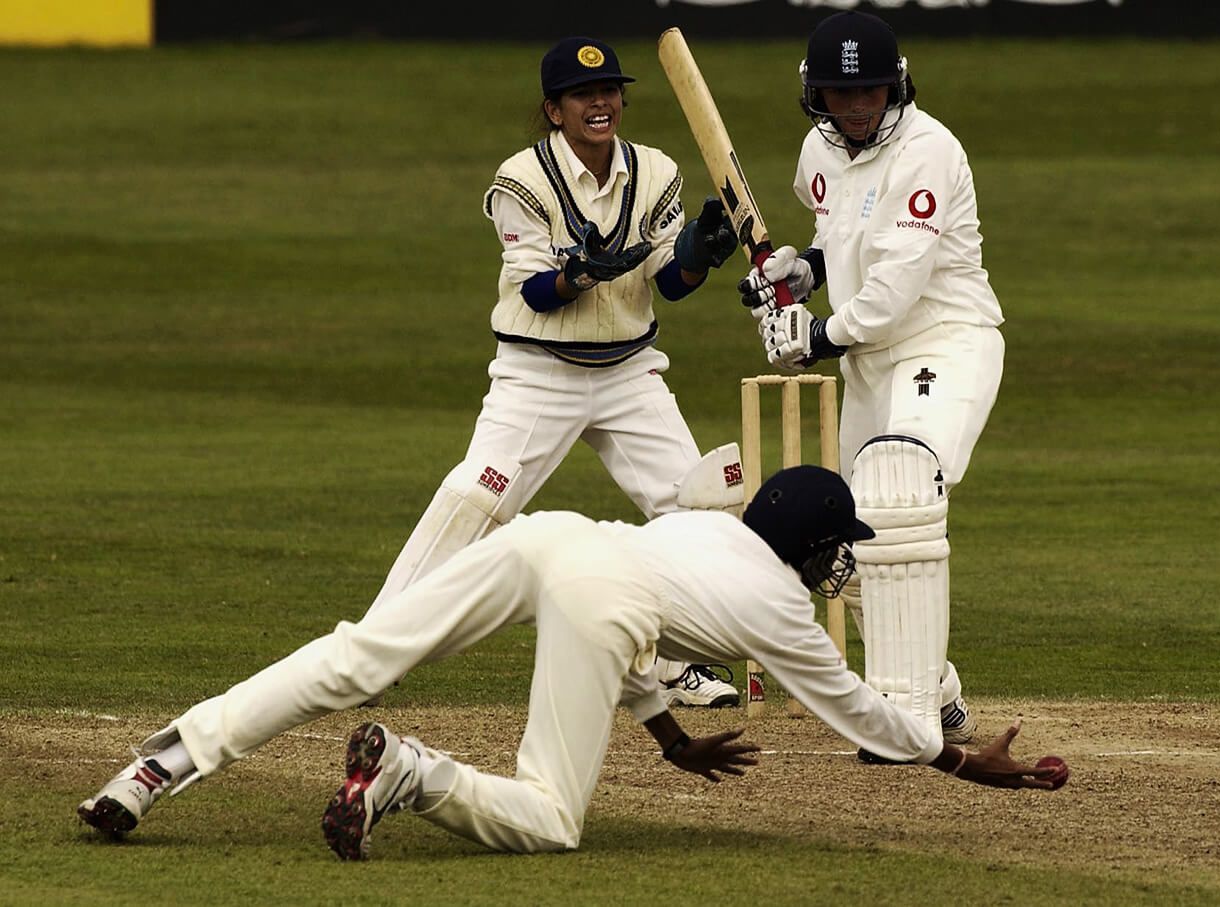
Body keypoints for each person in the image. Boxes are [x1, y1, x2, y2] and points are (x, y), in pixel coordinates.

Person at [77, 463, 1061, 859]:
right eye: (832, 543)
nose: (835, 560)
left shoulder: (706, 532)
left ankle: (154, 766)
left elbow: (623, 606)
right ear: (806, 544)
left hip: (554, 538)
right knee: (551, 821)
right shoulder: (775, 605)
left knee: (354, 656)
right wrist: (958, 758)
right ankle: (410, 773)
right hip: (597, 586)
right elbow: (851, 707)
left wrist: (669, 736)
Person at [363, 36, 743, 707]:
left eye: (608, 92)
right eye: (582, 95)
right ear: (554, 109)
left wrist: (698, 256)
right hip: (539, 373)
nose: (600, 104)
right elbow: (537, 292)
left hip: (628, 372)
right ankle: (372, 650)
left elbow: (672, 284)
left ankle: (674, 663)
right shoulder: (521, 182)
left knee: (699, 508)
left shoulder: (655, 172)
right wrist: (576, 274)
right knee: (479, 499)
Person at [738, 11, 1006, 757]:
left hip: (942, 342)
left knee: (902, 490)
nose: (856, 109)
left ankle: (909, 714)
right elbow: (841, 234)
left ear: (897, 84)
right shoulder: (818, 152)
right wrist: (804, 270)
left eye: (870, 92)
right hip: (871, 359)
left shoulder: (928, 151)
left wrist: (814, 335)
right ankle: (937, 692)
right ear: (815, 93)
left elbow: (891, 292)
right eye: (839, 94)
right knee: (838, 536)